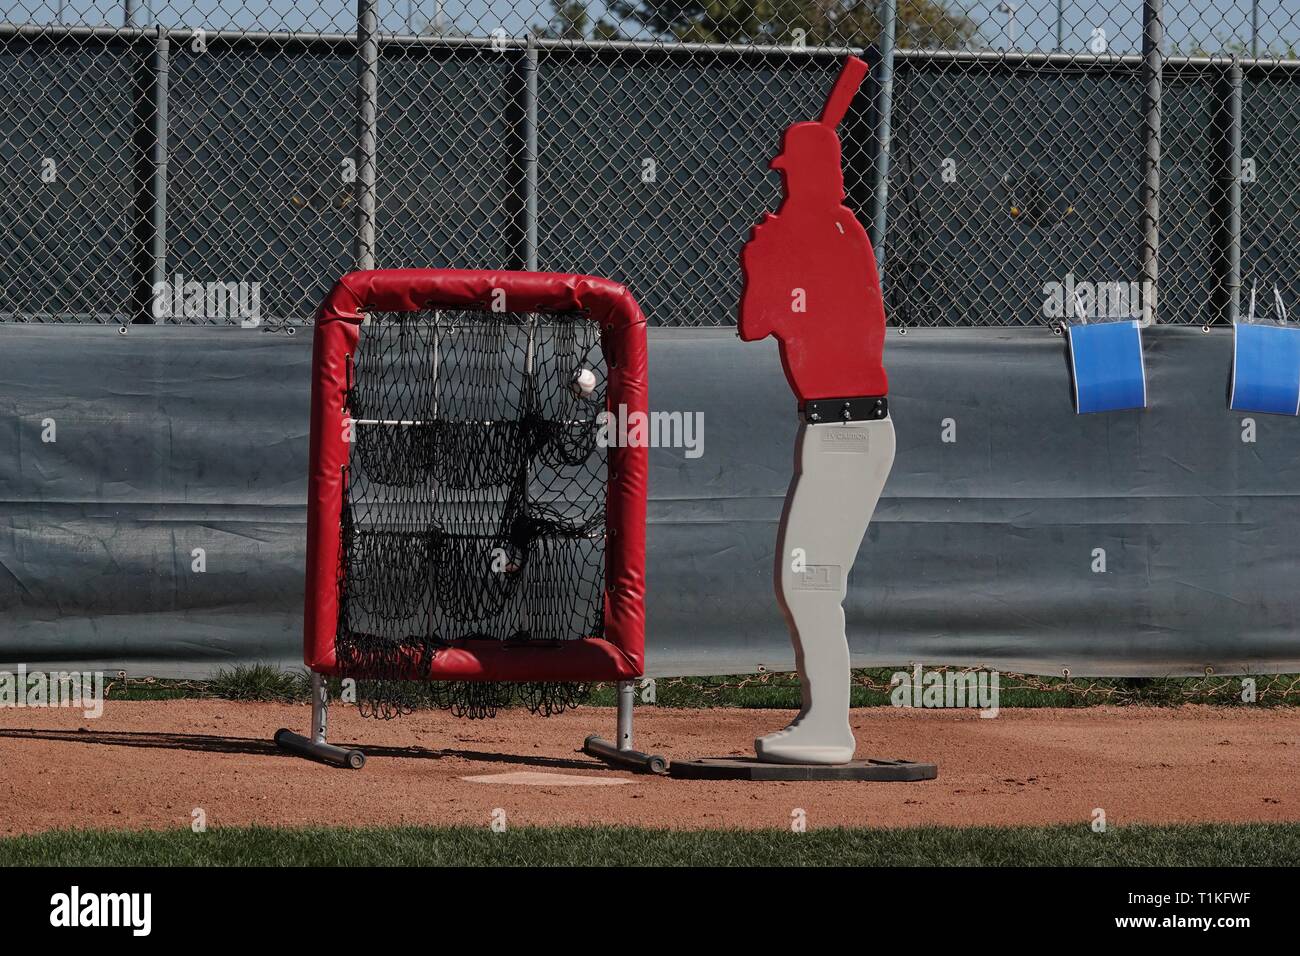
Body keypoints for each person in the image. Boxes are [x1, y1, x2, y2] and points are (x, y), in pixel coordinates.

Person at [737, 55, 895, 765]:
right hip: (832, 430)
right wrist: (763, 263)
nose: (785, 182)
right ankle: (821, 717)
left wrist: (772, 260)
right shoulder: (810, 233)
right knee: (801, 580)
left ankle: (830, 725)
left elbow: (775, 316)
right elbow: (755, 321)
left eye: (792, 173)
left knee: (808, 580)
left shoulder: (835, 235)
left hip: (851, 431)